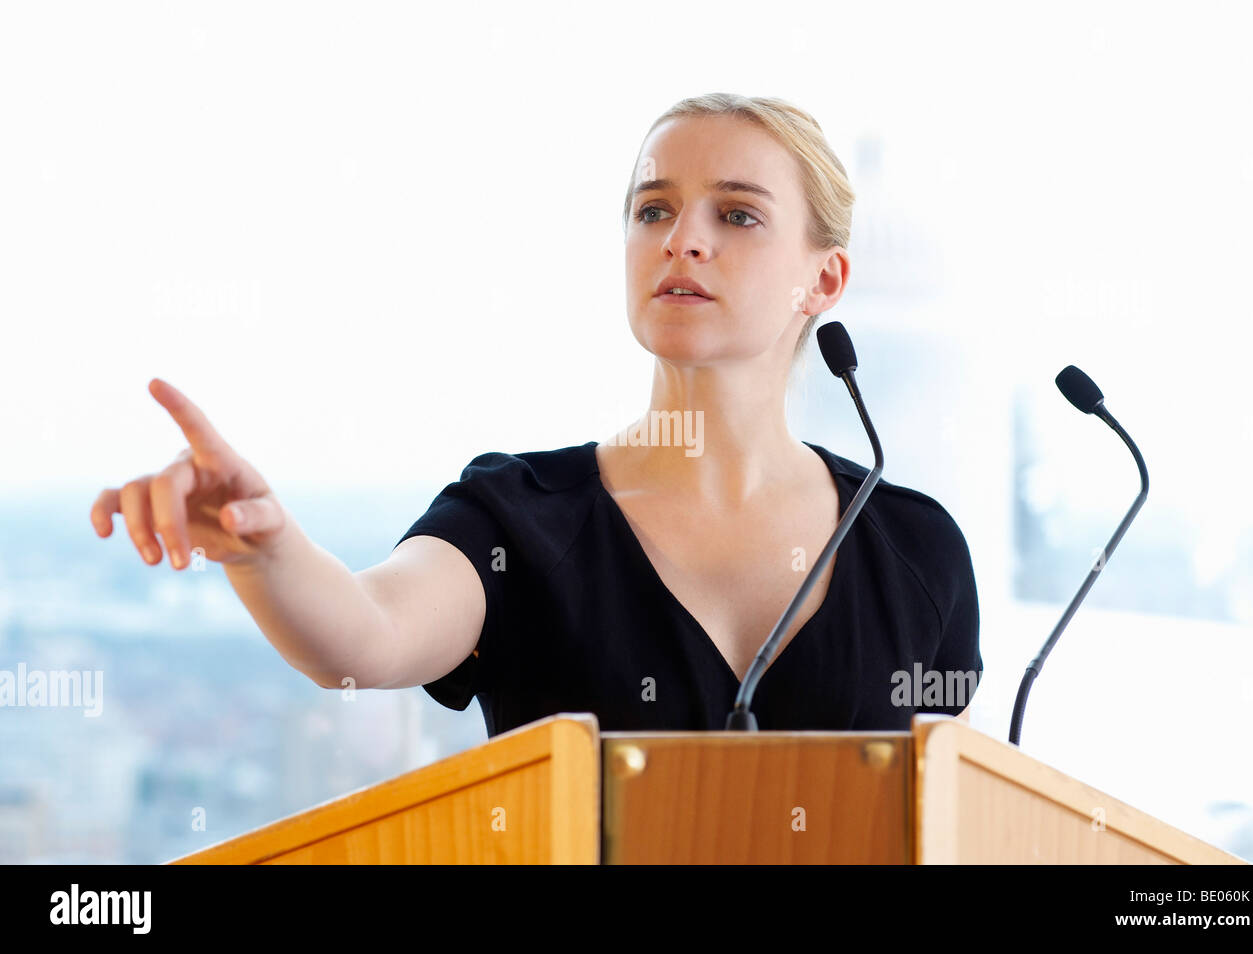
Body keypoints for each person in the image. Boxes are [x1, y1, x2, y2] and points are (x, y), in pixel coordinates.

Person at [90, 93, 981, 739]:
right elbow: (365, 637)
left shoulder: (918, 548)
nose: (682, 239)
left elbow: (958, 819)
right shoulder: (517, 519)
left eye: (738, 214)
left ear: (823, 279)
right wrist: (264, 550)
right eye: (654, 210)